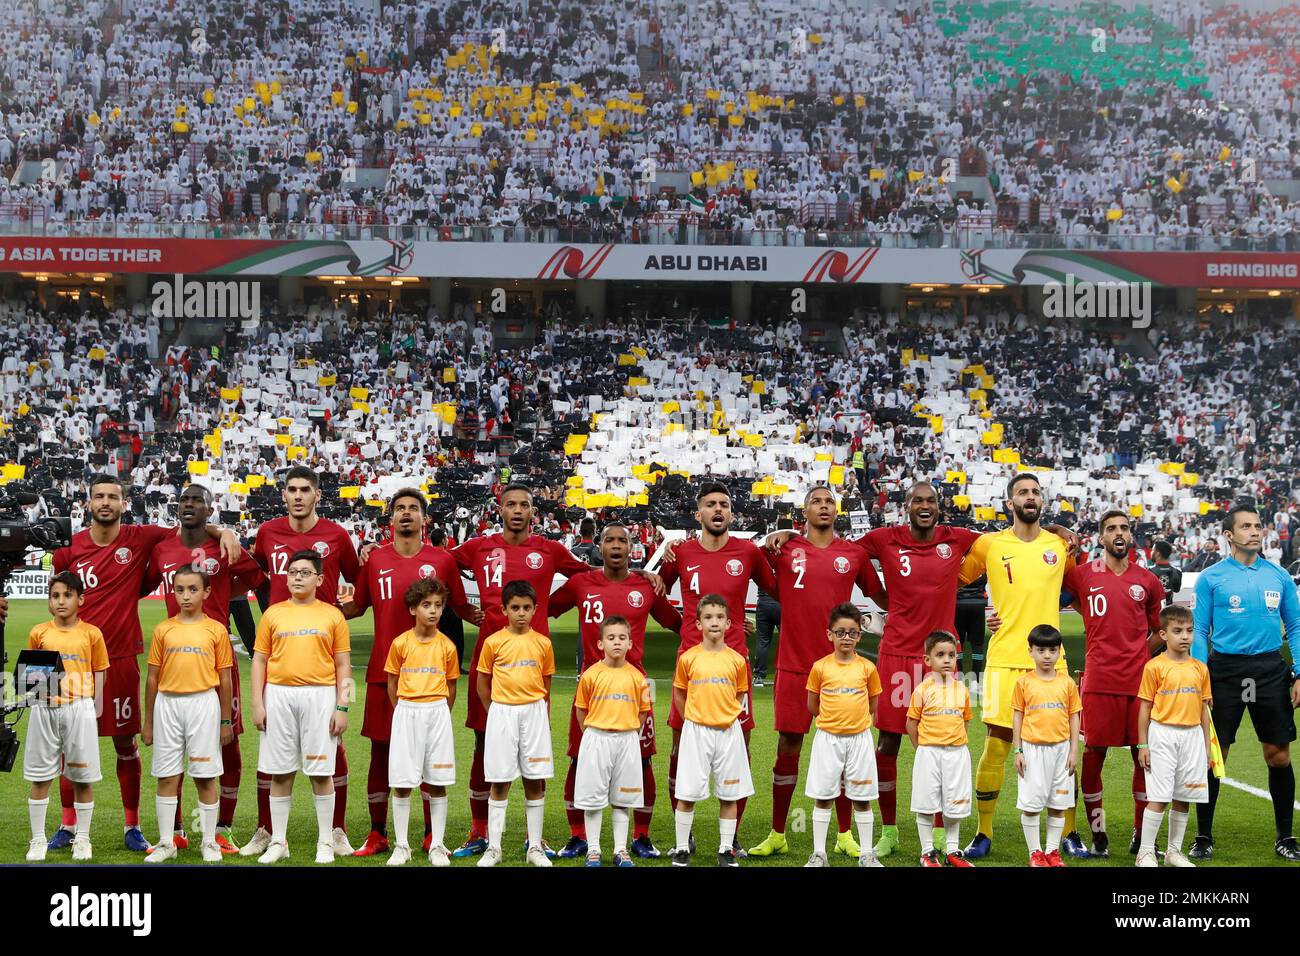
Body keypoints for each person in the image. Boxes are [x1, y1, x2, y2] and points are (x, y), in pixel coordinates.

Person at [48, 474, 238, 853]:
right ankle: (68, 825)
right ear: (88, 503)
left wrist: (223, 532)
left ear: (124, 504)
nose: (105, 502)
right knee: (68, 746)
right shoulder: (67, 550)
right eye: (98, 496)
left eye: (112, 497)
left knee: (125, 743)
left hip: (119, 657)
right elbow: (57, 602)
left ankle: (132, 826)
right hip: (71, 661)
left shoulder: (141, 538)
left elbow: (190, 522)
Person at [450, 483, 604, 859]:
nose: (518, 510)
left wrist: (553, 606)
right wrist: (460, 606)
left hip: (534, 668)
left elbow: (588, 576)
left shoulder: (548, 550)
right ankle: (480, 830)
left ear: (534, 511)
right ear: (499, 509)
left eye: (525, 505)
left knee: (534, 755)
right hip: (491, 663)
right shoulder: (478, 547)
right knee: (483, 745)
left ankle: (534, 838)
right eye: (511, 504)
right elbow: (440, 562)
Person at [340, 488, 480, 858]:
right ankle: (378, 832)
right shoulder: (374, 561)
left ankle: (431, 835)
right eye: (399, 509)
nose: (406, 514)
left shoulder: (443, 561)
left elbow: (465, 609)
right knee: (381, 752)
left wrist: (498, 619)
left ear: (424, 520)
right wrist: (317, 611)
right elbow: (355, 606)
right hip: (383, 674)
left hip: (430, 678)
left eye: (413, 509)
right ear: (390, 519)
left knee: (428, 756)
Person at [747, 487, 884, 860]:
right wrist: (779, 536)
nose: (823, 506)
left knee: (842, 751)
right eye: (816, 501)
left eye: (829, 502)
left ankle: (843, 834)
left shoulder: (853, 553)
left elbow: (881, 596)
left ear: (837, 510)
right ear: (804, 510)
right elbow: (753, 563)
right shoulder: (785, 549)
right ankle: (779, 832)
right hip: (794, 666)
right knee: (787, 747)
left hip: (843, 671)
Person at [957, 473, 1076, 860]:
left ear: (1042, 501)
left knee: (1061, 749)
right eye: (1022, 492)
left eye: (1035, 492)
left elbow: (1083, 585)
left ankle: (1068, 835)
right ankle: (983, 831)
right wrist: (984, 614)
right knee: (996, 746)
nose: (1030, 497)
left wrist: (1066, 531)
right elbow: (955, 579)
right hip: (1005, 658)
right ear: (1009, 503)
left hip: (1052, 663)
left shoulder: (1059, 544)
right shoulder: (989, 544)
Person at [548, 522, 682, 859]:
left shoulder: (646, 586)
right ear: (600, 546)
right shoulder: (581, 583)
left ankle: (642, 835)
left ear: (632, 548)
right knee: (579, 760)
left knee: (643, 760)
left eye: (623, 540)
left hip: (636, 687)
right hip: (591, 689)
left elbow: (677, 623)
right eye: (610, 540)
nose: (617, 545)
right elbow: (544, 609)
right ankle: (578, 836)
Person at [144, 483, 264, 854]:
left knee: (228, 742)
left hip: (217, 658)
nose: (190, 504)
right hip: (175, 660)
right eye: (185, 499)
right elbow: (146, 583)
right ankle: (176, 831)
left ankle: (222, 828)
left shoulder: (226, 546)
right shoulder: (162, 547)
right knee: (171, 750)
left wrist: (226, 537)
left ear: (210, 509)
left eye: (198, 500)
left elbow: (256, 580)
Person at [247, 466, 360, 858]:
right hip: (281, 682)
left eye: (304, 490)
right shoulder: (268, 536)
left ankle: (333, 834)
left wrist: (344, 704)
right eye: (291, 490)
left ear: (317, 494)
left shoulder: (336, 538)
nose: (297, 496)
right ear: (284, 495)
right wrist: (258, 702)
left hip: (320, 681)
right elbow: (258, 574)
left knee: (326, 763)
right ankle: (272, 834)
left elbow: (346, 664)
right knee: (276, 766)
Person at [658, 481, 776, 854]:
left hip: (734, 667)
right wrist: (677, 625)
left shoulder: (749, 552)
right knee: (680, 749)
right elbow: (656, 592)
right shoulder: (681, 552)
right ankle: (684, 834)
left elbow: (776, 587)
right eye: (710, 504)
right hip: (690, 667)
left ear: (731, 512)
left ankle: (732, 836)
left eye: (724, 504)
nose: (718, 509)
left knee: (740, 747)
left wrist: (783, 540)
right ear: (699, 514)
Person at [1189, 504, 1300, 862]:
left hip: (1270, 669)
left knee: (1278, 756)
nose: (1255, 531)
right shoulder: (1211, 578)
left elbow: (1296, 627)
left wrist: (1298, 671)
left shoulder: (1279, 577)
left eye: (1258, 525)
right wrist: (1200, 675)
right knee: (1215, 756)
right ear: (1228, 535)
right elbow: (1200, 631)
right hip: (1224, 672)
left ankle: (1285, 837)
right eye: (1247, 526)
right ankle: (1203, 835)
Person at [1059, 510, 1164, 858]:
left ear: (1131, 536)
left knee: (1143, 758)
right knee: (1093, 757)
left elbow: (1159, 631)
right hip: (1099, 680)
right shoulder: (1085, 574)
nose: (1119, 533)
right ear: (1101, 538)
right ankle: (1099, 834)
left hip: (1139, 684)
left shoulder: (1147, 580)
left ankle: (1139, 833)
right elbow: (1049, 587)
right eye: (1111, 529)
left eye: (1124, 528)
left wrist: (1138, 655)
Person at [141, 567, 234, 864]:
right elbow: (152, 678)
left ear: (206, 592)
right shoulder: (164, 629)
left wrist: (225, 720)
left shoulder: (216, 629)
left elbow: (226, 679)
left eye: (193, 589)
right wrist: (148, 721)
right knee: (167, 775)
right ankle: (167, 842)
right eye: (180, 589)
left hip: (203, 704)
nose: (185, 595)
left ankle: (209, 842)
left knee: (205, 777)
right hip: (167, 705)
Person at [22, 572, 108, 862]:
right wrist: (35, 695)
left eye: (67, 595)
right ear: (49, 600)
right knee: (40, 777)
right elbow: (32, 672)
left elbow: (100, 670)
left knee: (82, 778)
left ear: (80, 599)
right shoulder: (39, 632)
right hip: (44, 710)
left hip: (79, 708)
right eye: (55, 596)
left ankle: (82, 838)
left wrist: (95, 708)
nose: (60, 601)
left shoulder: (91, 633)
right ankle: (37, 840)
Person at [476, 580, 556, 868]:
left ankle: (534, 846)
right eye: (515, 608)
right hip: (502, 713)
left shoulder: (542, 643)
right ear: (504, 610)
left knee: (535, 779)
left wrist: (531, 706)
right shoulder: (493, 642)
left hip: (533, 713)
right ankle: (493, 847)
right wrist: (495, 710)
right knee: (500, 779)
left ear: (535, 609)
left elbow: (545, 682)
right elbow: (482, 682)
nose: (521, 613)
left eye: (526, 608)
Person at [670, 593, 754, 868]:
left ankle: (725, 848)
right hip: (696, 732)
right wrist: (692, 720)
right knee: (687, 793)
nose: (714, 622)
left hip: (729, 732)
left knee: (729, 794)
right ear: (698, 624)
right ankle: (682, 848)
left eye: (719, 617)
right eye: (708, 617)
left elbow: (741, 694)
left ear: (729, 623)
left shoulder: (737, 660)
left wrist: (725, 717)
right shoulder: (688, 658)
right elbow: (680, 693)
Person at [384, 578, 460, 867]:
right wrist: (404, 709)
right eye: (426, 605)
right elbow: (392, 682)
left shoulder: (447, 646)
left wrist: (440, 711)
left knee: (438, 782)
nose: (433, 611)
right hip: (407, 710)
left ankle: (437, 845)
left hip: (437, 711)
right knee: (402, 782)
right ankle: (402, 846)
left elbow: (451, 687)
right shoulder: (400, 643)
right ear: (413, 609)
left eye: (438, 605)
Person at [803, 603, 884, 868]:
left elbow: (873, 702)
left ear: (860, 635)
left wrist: (855, 721)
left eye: (852, 632)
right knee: (824, 795)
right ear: (830, 634)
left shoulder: (867, 668)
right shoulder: (820, 667)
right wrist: (832, 722)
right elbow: (813, 705)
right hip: (828, 738)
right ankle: (819, 854)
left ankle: (866, 855)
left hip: (859, 739)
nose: (846, 637)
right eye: (840, 632)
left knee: (861, 797)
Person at [1137, 605, 1213, 868]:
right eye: (1177, 631)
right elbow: (1145, 707)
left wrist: (1206, 747)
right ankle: (1145, 853)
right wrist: (1143, 744)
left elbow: (1204, 709)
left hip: (1192, 736)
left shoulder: (1200, 669)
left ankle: (1173, 852)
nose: (1185, 636)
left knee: (1183, 797)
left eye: (1189, 631)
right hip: (1162, 735)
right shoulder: (1154, 667)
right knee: (1159, 797)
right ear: (1163, 634)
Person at [573, 615, 652, 867]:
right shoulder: (591, 675)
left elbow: (642, 711)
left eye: (622, 638)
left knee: (623, 798)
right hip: (596, 738)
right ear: (600, 644)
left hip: (627, 739)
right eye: (611, 638)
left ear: (630, 643)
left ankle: (620, 850)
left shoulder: (637, 677)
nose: (616, 642)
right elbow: (580, 709)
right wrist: (592, 733)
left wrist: (627, 730)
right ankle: (593, 849)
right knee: (593, 797)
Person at [1011, 624, 1081, 868]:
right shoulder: (1023, 683)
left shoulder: (1067, 683)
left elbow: (1074, 716)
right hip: (1032, 750)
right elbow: (1018, 716)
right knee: (1032, 805)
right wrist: (1018, 750)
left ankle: (1052, 852)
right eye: (1041, 650)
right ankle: (1035, 853)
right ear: (1031, 651)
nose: (1047, 655)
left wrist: (1074, 750)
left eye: (1052, 650)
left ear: (1059, 651)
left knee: (1058, 804)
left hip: (1061, 751)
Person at [907, 631, 975, 867]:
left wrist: (955, 743)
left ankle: (953, 851)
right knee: (926, 803)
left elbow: (965, 721)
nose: (947, 660)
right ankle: (927, 852)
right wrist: (922, 748)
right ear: (928, 660)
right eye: (940, 655)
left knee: (954, 803)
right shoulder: (922, 690)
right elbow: (911, 724)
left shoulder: (962, 690)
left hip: (956, 753)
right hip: (929, 753)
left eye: (951, 655)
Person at [1149, 540, 1182, 607]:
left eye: (1152, 550)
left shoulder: (1148, 571)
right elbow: (1176, 589)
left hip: (1152, 612)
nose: (1151, 552)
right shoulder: (1177, 572)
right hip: (1168, 613)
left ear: (1158, 553)